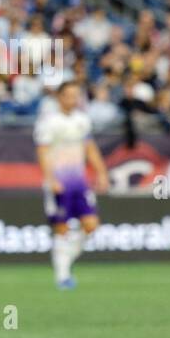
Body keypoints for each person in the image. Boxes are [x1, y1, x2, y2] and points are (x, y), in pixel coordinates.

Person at [35, 81, 108, 288]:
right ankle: (62, 276)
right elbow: (42, 151)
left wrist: (101, 172)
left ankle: (65, 258)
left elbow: (89, 148)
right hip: (58, 182)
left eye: (76, 95)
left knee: (91, 225)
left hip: (79, 181)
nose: (73, 99)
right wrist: (50, 178)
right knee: (61, 228)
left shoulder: (82, 120)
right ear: (59, 97)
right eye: (69, 95)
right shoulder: (48, 122)